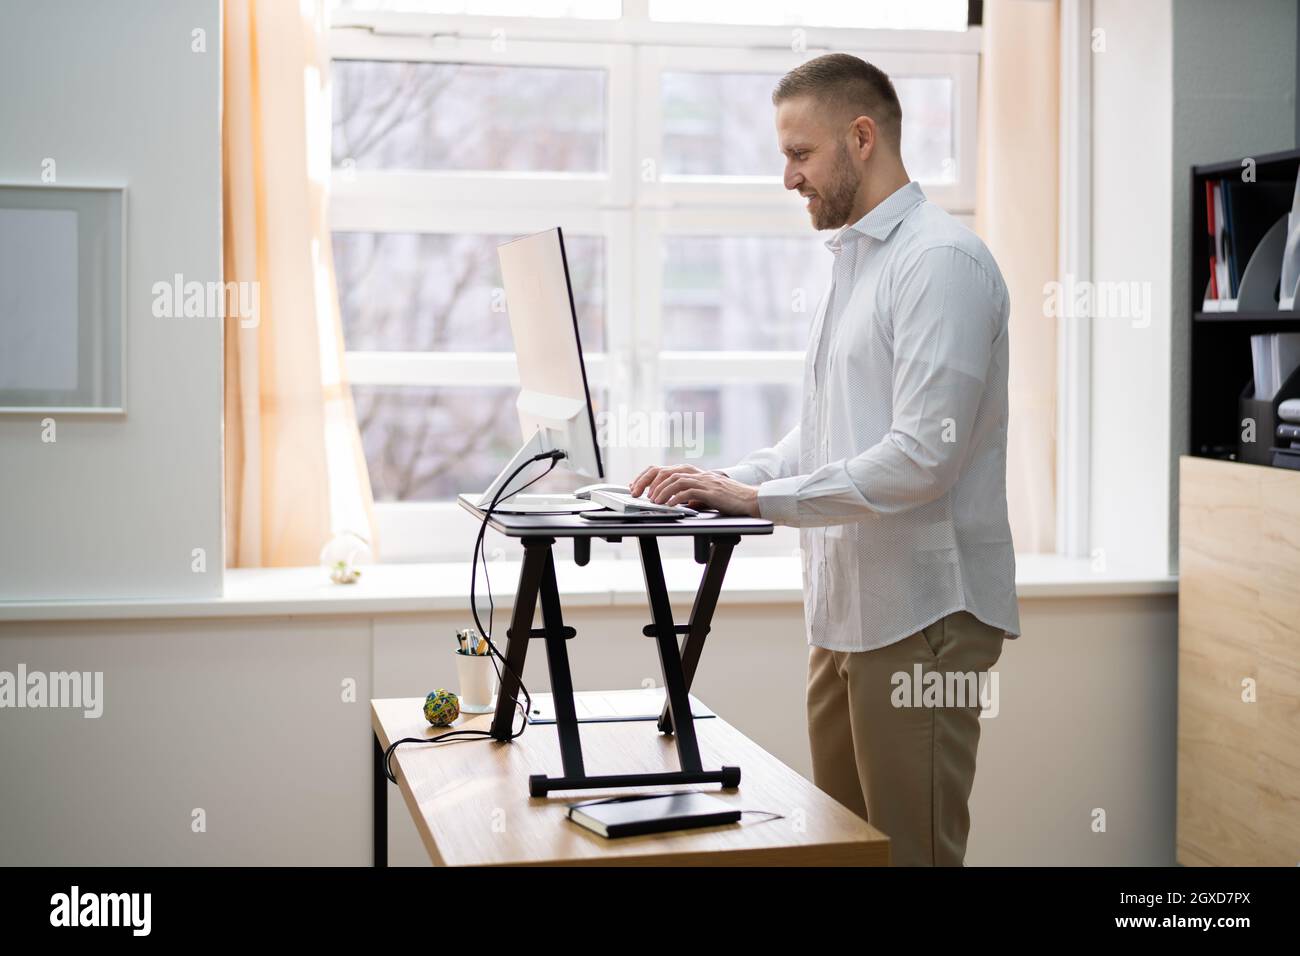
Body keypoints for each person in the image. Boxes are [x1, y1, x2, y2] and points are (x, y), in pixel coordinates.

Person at [630, 52, 1021, 866]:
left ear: (863, 137)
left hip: (925, 619)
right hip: (846, 613)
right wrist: (728, 482)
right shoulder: (860, 261)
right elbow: (829, 434)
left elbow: (922, 457)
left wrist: (759, 506)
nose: (788, 177)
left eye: (800, 154)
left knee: (912, 854)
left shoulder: (939, 263)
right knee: (845, 851)